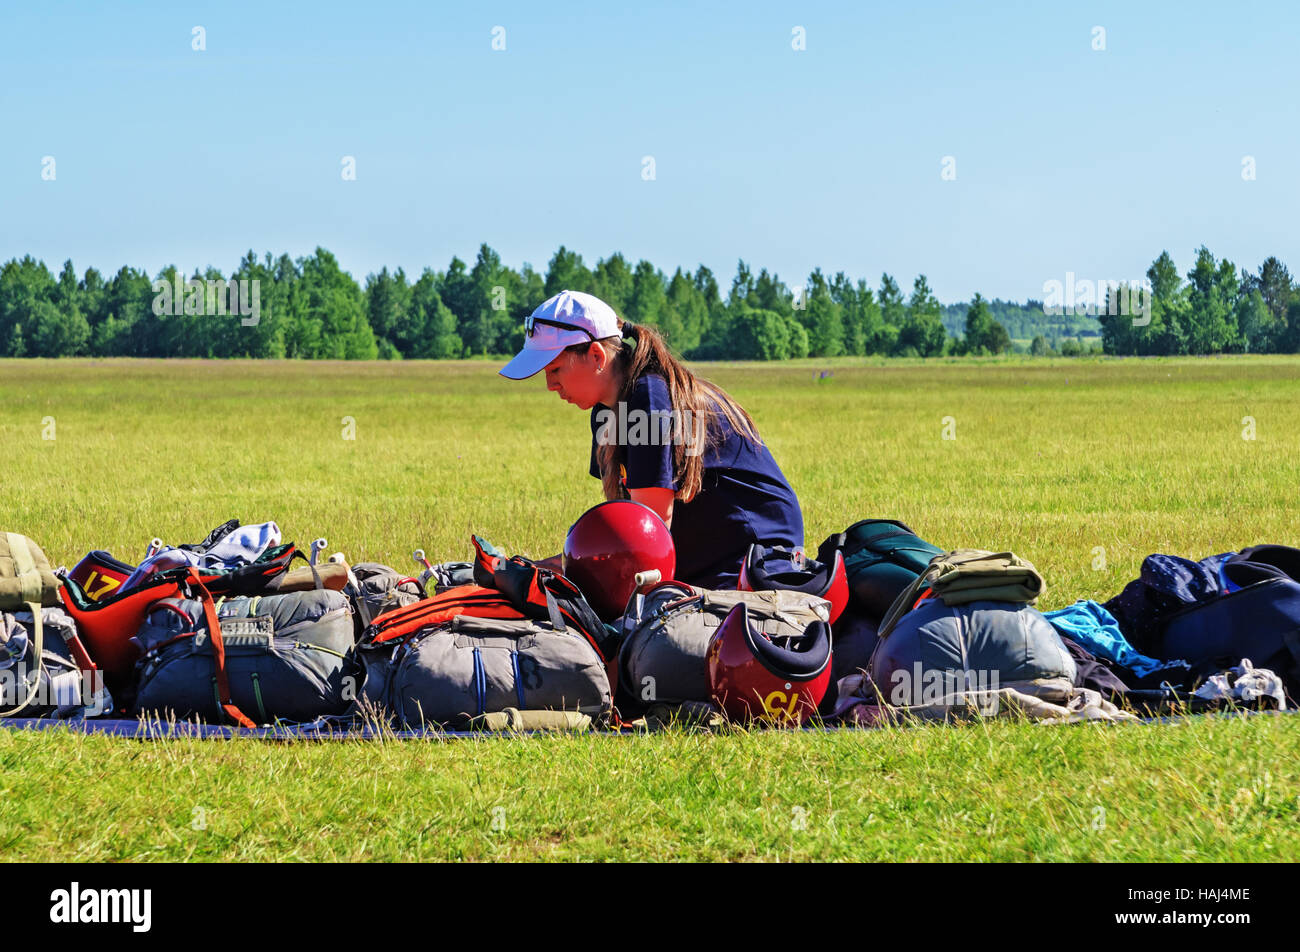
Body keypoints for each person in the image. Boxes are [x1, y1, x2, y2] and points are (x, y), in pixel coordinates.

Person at [499, 289, 804, 587]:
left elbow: (646, 545)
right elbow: (623, 529)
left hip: (755, 565)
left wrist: (547, 571)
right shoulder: (606, 411)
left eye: (555, 369)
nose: (550, 385)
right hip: (705, 562)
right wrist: (536, 569)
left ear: (596, 355)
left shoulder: (650, 400)